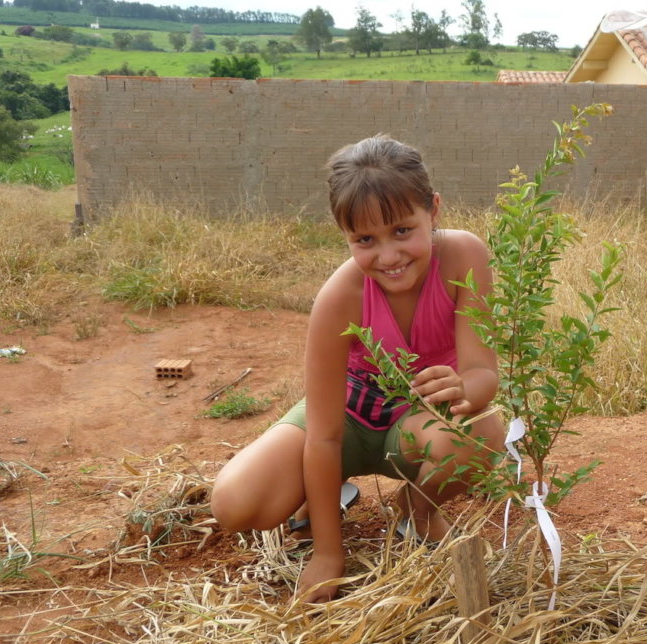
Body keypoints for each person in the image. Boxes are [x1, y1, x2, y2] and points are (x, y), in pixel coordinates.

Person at [210, 135, 504, 603]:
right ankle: (321, 499)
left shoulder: (465, 256)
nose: (388, 256)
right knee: (236, 502)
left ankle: (418, 508)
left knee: (481, 435)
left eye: (402, 230)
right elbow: (324, 435)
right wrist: (329, 553)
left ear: (434, 210)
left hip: (419, 418)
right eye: (365, 240)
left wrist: (468, 389)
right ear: (343, 234)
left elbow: (483, 372)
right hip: (347, 417)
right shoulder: (339, 298)